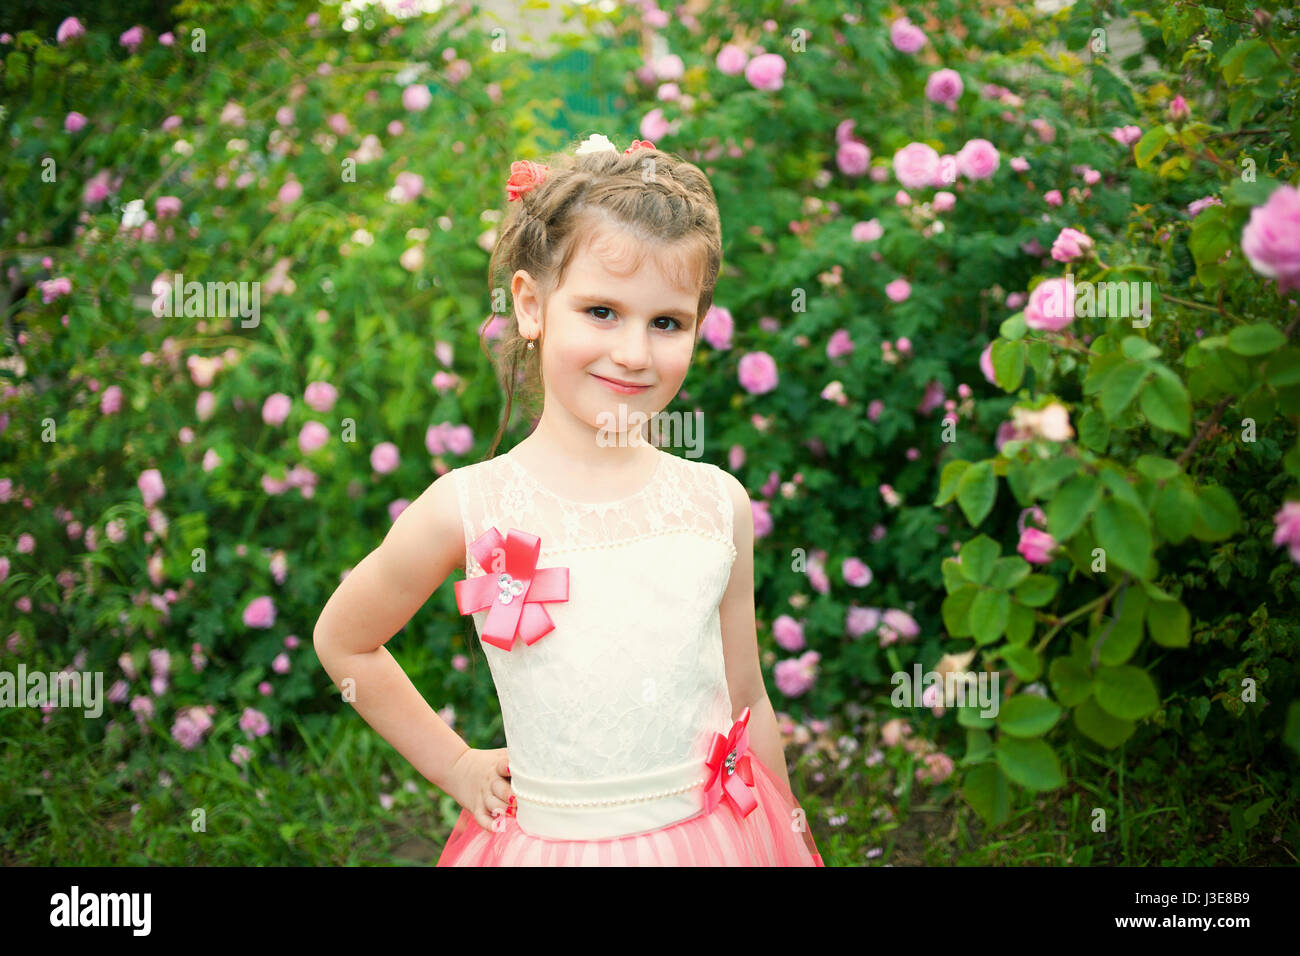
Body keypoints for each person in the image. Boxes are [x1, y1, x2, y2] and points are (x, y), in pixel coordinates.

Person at [314, 132, 824, 866]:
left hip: (715, 842)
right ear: (531, 304)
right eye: (602, 312)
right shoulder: (472, 504)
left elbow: (748, 699)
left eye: (667, 323)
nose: (633, 353)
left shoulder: (717, 506)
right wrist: (454, 764)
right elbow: (345, 640)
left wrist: (793, 836)